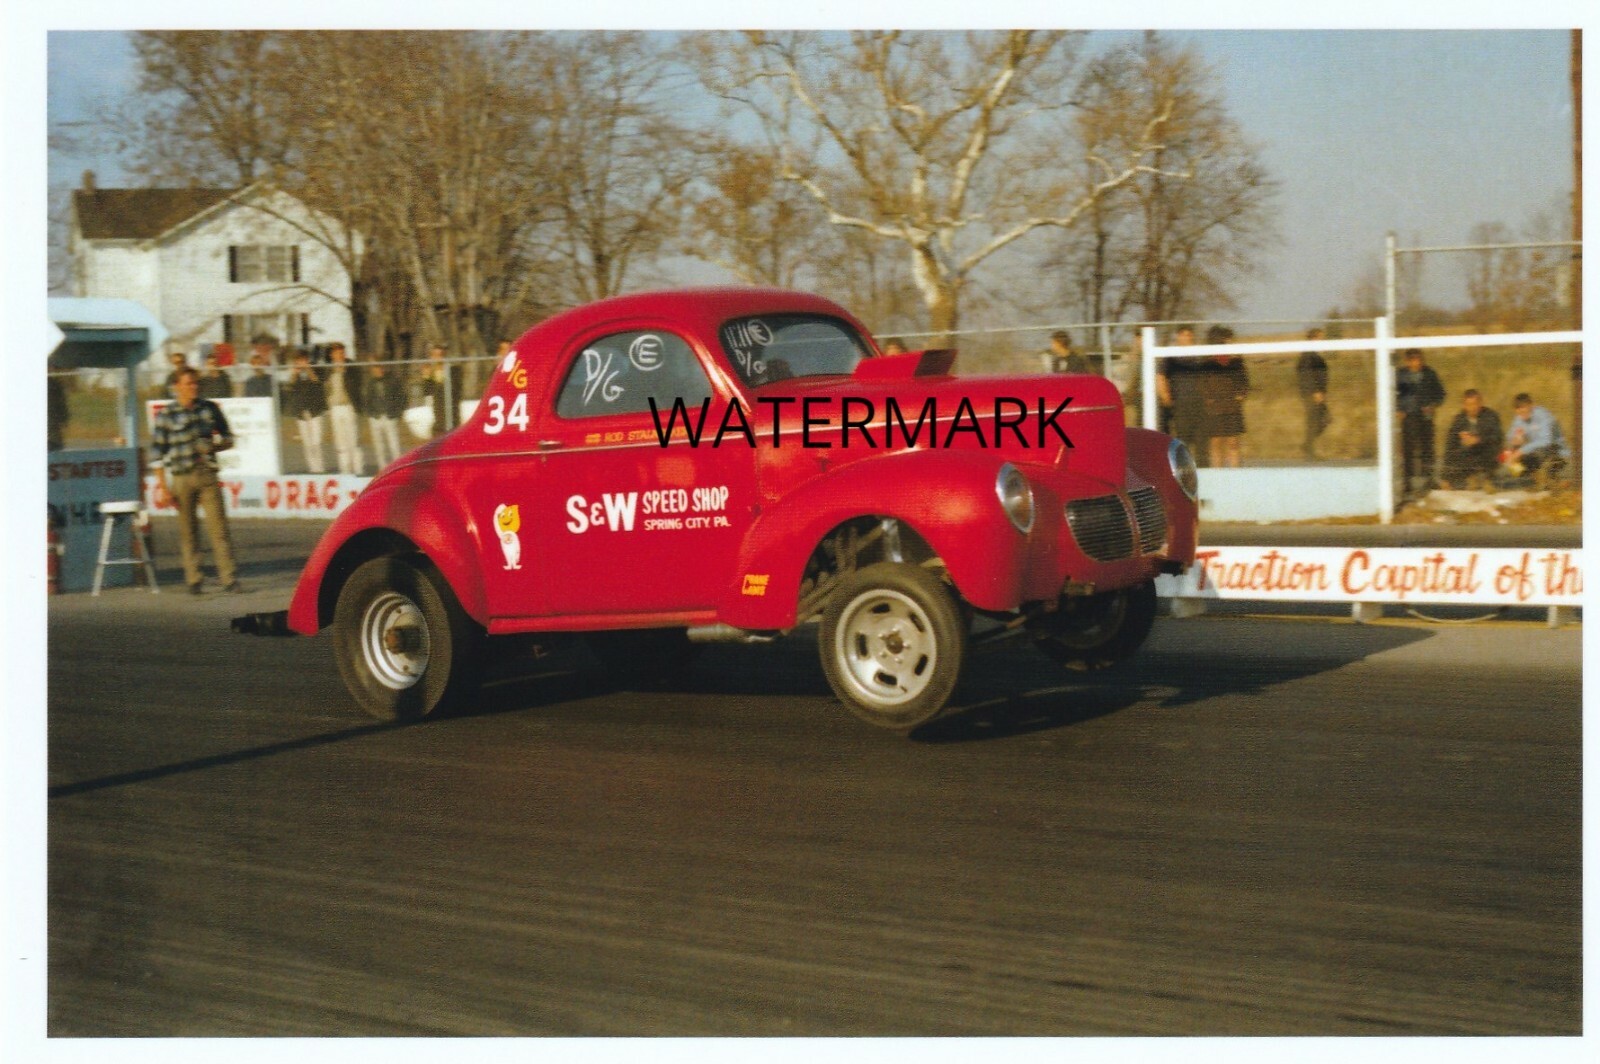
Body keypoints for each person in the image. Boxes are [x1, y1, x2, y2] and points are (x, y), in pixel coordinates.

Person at [151, 366, 243, 595]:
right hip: (181, 477)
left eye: (195, 383)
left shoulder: (209, 409)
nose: (193, 388)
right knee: (188, 530)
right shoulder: (166, 415)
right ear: (176, 387)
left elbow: (229, 438)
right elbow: (156, 454)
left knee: (219, 529)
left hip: (207, 474)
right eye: (187, 384)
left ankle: (228, 578)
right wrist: (163, 487)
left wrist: (214, 445)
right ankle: (194, 579)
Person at [1395, 348, 1445, 494]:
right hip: (1409, 416)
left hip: (1425, 416)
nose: (1418, 362)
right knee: (1408, 450)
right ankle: (1407, 482)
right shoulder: (1401, 375)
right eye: (1415, 359)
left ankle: (1429, 480)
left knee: (1427, 448)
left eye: (1420, 359)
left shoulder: (1429, 374)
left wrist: (1433, 405)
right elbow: (1395, 394)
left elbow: (1440, 393)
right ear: (1408, 361)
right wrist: (1398, 409)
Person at [1198, 325, 1247, 468]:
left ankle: (1236, 475)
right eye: (1228, 339)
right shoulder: (1206, 359)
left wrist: (1241, 395)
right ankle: (1217, 475)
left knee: (1233, 442)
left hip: (1232, 406)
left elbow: (1244, 380)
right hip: (1214, 408)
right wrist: (1208, 398)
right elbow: (1201, 382)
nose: (1231, 342)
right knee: (1216, 442)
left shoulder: (1236, 359)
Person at [1159, 325, 1207, 462]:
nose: (1186, 338)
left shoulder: (1199, 356)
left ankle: (1205, 472)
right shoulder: (1171, 356)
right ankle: (1185, 473)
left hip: (1200, 404)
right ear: (1178, 336)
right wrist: (1166, 396)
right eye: (1183, 335)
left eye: (1189, 334)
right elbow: (1161, 376)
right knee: (1183, 441)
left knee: (1202, 442)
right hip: (1180, 404)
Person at [1439, 389, 1503, 489]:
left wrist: (1478, 439)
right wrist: (1445, 477)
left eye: (1475, 404)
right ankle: (1471, 477)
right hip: (1468, 455)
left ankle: (1488, 479)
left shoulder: (1491, 416)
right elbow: (1450, 445)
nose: (1472, 408)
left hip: (1485, 453)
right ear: (1464, 405)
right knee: (1456, 450)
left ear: (1480, 403)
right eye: (1469, 405)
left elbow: (1497, 437)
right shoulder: (1459, 420)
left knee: (1493, 448)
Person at [1503, 392, 1570, 482]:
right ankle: (1532, 478)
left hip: (1556, 451)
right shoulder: (1519, 418)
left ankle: (1550, 474)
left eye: (1524, 410)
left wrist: (1520, 451)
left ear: (1531, 406)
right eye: (1519, 412)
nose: (1522, 415)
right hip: (1534, 451)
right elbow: (1510, 435)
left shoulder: (1543, 416)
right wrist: (1514, 440)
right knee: (1507, 456)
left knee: (1535, 452)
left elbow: (1546, 441)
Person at [282, 349, 328, 474]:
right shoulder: (295, 374)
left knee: (316, 442)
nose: (300, 362)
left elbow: (317, 382)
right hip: (301, 413)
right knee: (307, 444)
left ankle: (320, 468)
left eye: (302, 360)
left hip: (315, 412)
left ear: (307, 360)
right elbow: (289, 388)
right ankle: (313, 469)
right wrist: (294, 374)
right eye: (298, 360)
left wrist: (308, 369)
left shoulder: (315, 368)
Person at [323, 342, 365, 475]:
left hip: (348, 406)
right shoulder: (328, 369)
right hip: (335, 408)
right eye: (337, 352)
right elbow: (325, 387)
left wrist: (344, 371)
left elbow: (358, 383)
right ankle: (345, 471)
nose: (340, 355)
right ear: (332, 354)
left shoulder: (351, 366)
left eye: (342, 352)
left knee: (353, 439)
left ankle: (358, 470)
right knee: (340, 441)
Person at [365, 358, 407, 469]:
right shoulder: (370, 383)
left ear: (383, 367)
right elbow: (367, 400)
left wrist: (397, 413)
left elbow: (402, 397)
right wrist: (371, 414)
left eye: (379, 366)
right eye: (375, 367)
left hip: (389, 416)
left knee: (394, 444)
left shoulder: (392, 380)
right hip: (376, 417)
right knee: (379, 445)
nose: (377, 370)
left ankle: (397, 467)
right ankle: (382, 468)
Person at [1296, 327, 1331, 460]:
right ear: (1313, 338)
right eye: (1320, 337)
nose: (1323, 340)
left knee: (1324, 420)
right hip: (1311, 394)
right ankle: (1310, 450)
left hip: (1318, 394)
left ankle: (1307, 445)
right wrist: (1315, 391)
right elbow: (1306, 375)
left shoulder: (1315, 354)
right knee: (1314, 421)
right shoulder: (1308, 355)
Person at [419, 344, 461, 435]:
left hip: (451, 413)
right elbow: (426, 392)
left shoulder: (454, 370)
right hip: (438, 415)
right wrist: (426, 377)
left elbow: (455, 390)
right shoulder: (431, 373)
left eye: (440, 355)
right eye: (434, 355)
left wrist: (440, 374)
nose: (436, 358)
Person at [48, 363, 69, 452]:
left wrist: (64, 417)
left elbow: (61, 402)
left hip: (53, 419)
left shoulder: (55, 384)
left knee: (55, 443)